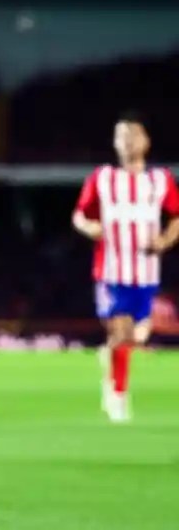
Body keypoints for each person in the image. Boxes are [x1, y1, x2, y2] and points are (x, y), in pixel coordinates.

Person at [72, 110, 179, 423]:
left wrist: (164, 241)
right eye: (121, 136)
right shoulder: (102, 179)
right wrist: (90, 228)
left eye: (133, 134)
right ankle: (117, 395)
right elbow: (79, 215)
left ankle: (111, 363)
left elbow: (176, 217)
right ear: (115, 144)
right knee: (120, 331)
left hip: (145, 271)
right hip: (111, 271)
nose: (127, 141)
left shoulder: (159, 181)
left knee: (134, 336)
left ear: (145, 141)